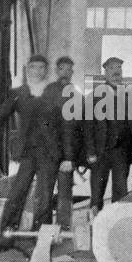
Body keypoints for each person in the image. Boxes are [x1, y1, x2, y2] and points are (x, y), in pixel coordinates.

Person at [0, 53, 71, 235]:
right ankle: (6, 233)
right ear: (27, 69)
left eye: (41, 67)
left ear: (47, 70)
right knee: (17, 193)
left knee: (44, 198)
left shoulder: (58, 92)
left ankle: (41, 237)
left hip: (49, 153)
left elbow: (66, 126)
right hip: (27, 153)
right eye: (33, 67)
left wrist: (68, 157)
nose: (37, 71)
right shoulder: (19, 93)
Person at [84, 56, 132, 214]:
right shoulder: (95, 96)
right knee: (97, 192)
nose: (116, 72)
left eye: (118, 68)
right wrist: (90, 152)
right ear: (105, 72)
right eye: (111, 68)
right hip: (100, 151)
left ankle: (116, 223)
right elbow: (88, 127)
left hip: (121, 150)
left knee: (120, 192)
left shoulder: (130, 95)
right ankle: (94, 225)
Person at [47, 56, 82, 229]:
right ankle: (42, 230)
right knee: (44, 194)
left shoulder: (76, 95)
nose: (65, 73)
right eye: (62, 69)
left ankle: (63, 228)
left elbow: (75, 130)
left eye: (69, 70)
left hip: (66, 155)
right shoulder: (48, 92)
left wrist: (70, 157)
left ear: (72, 73)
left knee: (65, 193)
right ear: (56, 70)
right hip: (49, 153)